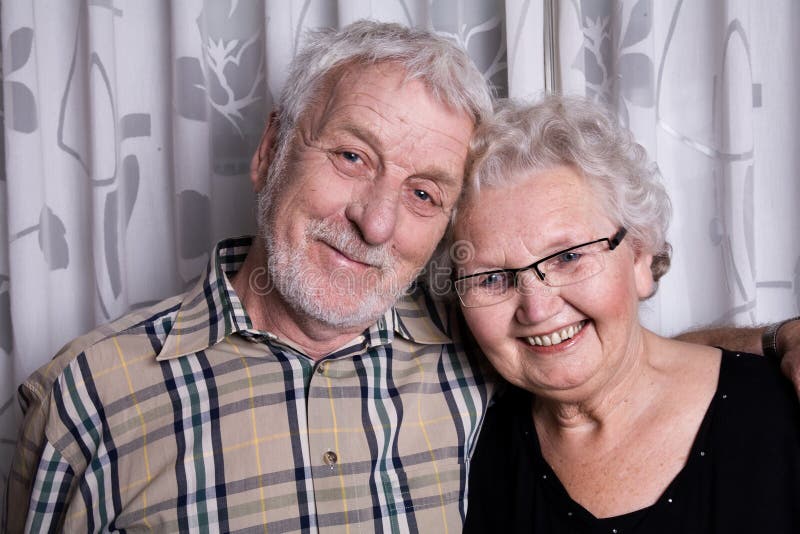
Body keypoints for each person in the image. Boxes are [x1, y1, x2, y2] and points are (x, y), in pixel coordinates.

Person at [4, 20, 798, 534]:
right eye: (352, 157)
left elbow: (605, 357)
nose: (375, 223)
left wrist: (773, 344)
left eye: (423, 193)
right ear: (271, 149)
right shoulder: (87, 404)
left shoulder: (468, 350)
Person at [455, 96, 800, 533]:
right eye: (491, 279)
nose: (537, 308)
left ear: (640, 256)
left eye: (568, 257)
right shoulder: (472, 447)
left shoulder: (781, 412)